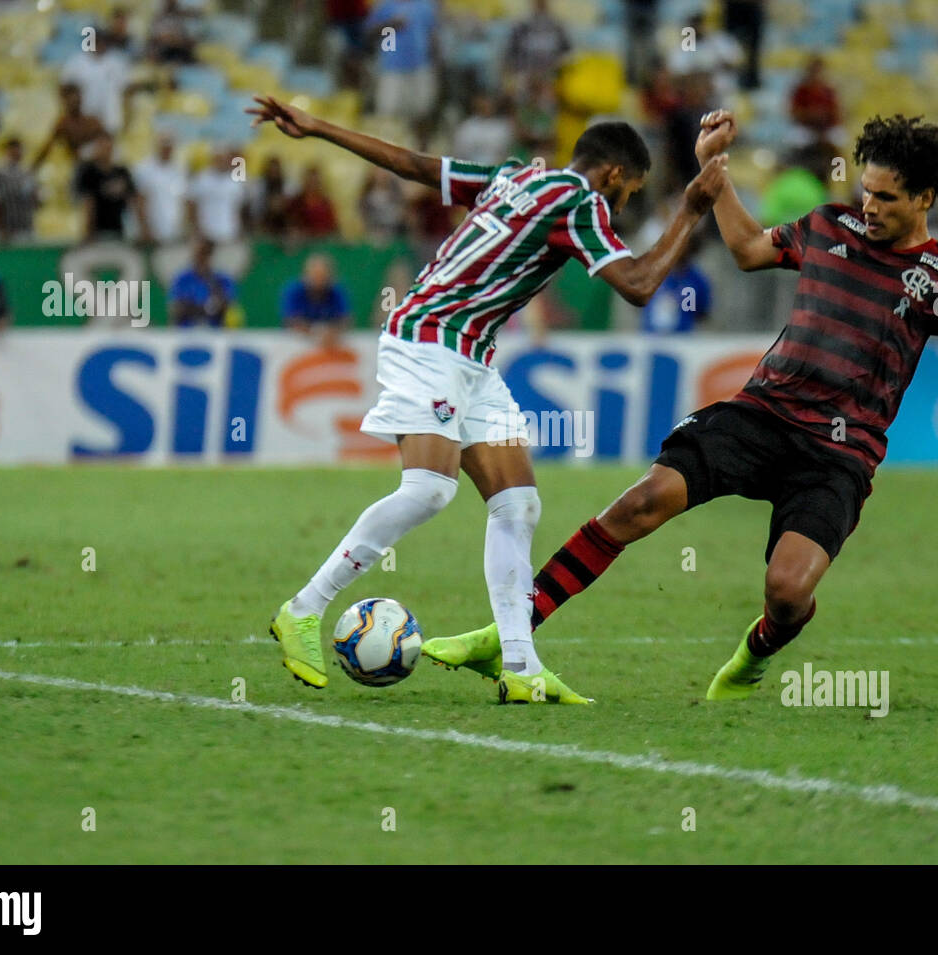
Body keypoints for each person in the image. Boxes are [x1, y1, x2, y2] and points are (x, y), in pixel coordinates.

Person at [423, 113, 938, 703]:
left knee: (788, 590)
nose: (870, 205)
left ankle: (754, 654)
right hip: (761, 415)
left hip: (839, 454)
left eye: (887, 198)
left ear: (924, 198)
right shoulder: (829, 227)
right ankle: (507, 632)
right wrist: (717, 172)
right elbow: (746, 249)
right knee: (637, 503)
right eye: (867, 190)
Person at [247, 93, 727, 699]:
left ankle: (521, 669)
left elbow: (417, 166)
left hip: (468, 354)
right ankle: (303, 609)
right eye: (628, 192)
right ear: (612, 174)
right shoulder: (580, 202)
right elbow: (635, 285)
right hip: (431, 340)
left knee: (518, 505)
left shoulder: (516, 176)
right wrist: (689, 211)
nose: (624, 205)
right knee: (428, 490)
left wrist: (319, 128)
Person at [74, 132, 138, 240]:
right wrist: (88, 233)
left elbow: (134, 200)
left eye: (108, 146)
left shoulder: (122, 172)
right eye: (102, 146)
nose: (106, 150)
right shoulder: (88, 172)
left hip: (119, 229)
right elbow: (88, 204)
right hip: (97, 231)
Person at [30, 83, 109, 171]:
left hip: (100, 165)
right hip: (81, 167)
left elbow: (108, 141)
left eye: (77, 97)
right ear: (64, 101)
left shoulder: (93, 121)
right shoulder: (63, 124)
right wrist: (31, 169)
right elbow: (46, 150)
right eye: (71, 99)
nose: (75, 101)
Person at [281, 253, 352, 349]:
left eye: (322, 277)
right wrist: (315, 333)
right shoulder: (294, 291)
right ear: (306, 275)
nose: (319, 282)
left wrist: (332, 332)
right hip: (296, 344)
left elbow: (346, 320)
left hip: (330, 343)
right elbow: (290, 320)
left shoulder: (337, 292)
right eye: (315, 276)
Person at [132, 134, 187, 244]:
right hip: (152, 234)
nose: (167, 148)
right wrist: (145, 229)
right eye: (164, 144)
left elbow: (181, 200)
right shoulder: (144, 169)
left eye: (170, 144)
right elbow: (139, 201)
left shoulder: (179, 169)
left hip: (174, 233)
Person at [169, 238, 236, 327]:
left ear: (211, 255)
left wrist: (193, 308)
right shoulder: (182, 279)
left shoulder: (222, 279)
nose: (202, 258)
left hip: (216, 333)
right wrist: (207, 308)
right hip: (186, 332)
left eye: (205, 253)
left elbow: (227, 307)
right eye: (199, 254)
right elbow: (177, 308)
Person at [0, 137, 40, 240]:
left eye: (19, 149)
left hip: (26, 228)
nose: (17, 152)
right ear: (7, 151)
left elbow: (35, 201)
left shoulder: (27, 174)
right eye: (14, 149)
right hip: (5, 231)